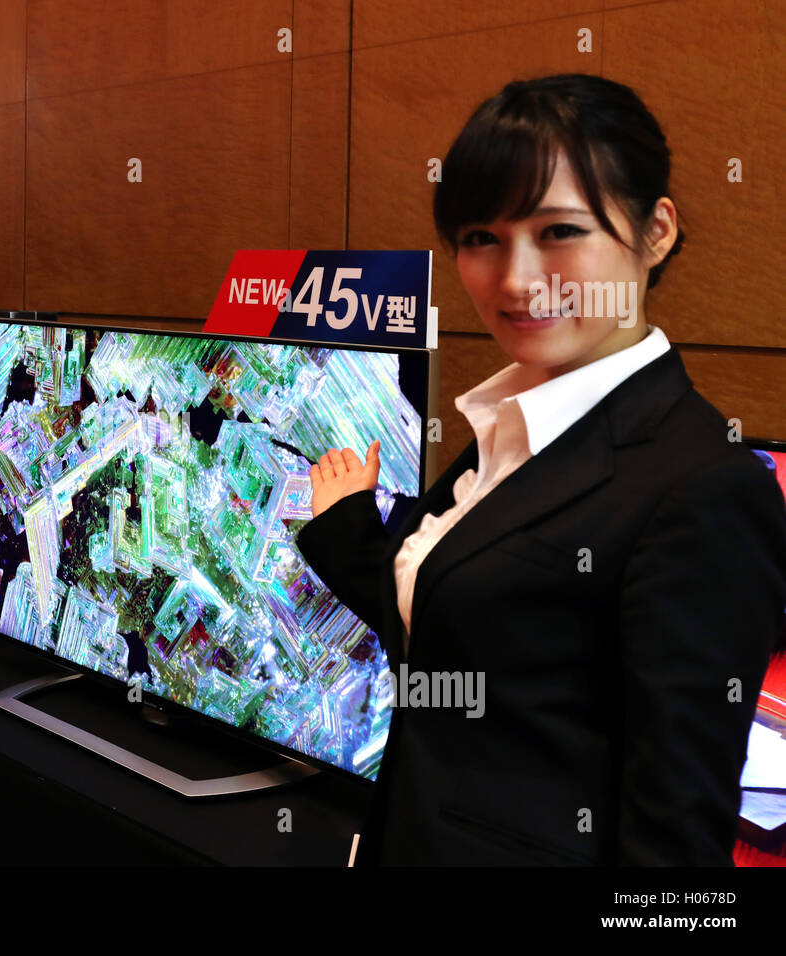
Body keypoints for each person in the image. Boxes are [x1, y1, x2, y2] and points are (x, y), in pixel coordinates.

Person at [295, 73, 786, 866]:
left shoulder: (703, 485)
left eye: (559, 231)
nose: (517, 280)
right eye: (482, 238)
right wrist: (350, 530)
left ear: (655, 230)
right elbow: (465, 645)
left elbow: (675, 842)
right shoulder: (514, 419)